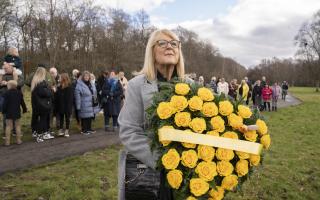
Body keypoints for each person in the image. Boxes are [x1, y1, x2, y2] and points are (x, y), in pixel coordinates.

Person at [118, 29, 185, 200]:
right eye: (162, 43)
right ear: (151, 51)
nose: (169, 47)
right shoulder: (136, 85)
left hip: (187, 173)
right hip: (151, 172)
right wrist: (165, 160)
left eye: (174, 44)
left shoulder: (192, 86)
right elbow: (129, 132)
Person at [31, 67, 54, 142]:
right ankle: (39, 135)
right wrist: (51, 90)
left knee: (42, 119)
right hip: (42, 105)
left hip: (38, 104)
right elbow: (45, 93)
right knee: (43, 120)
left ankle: (43, 133)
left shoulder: (35, 82)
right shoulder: (40, 83)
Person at [74, 71, 100, 135]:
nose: (86, 77)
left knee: (89, 116)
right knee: (84, 117)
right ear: (83, 77)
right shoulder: (79, 84)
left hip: (91, 103)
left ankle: (89, 128)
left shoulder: (91, 83)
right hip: (84, 103)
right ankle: (84, 130)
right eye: (85, 76)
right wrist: (78, 105)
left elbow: (95, 92)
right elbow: (77, 95)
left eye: (88, 76)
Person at [2, 80, 27, 146]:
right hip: (17, 112)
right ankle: (18, 140)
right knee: (18, 126)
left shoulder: (6, 93)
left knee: (8, 126)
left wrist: (3, 110)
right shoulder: (19, 93)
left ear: (9, 86)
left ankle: (7, 142)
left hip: (9, 112)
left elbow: (5, 104)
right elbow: (22, 103)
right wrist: (24, 109)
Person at [55, 73, 73, 137]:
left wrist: (69, 106)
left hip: (67, 106)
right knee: (61, 118)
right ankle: (60, 129)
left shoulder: (69, 87)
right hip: (60, 105)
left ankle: (67, 130)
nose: (59, 79)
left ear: (63, 78)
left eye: (60, 77)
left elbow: (70, 98)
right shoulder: (59, 87)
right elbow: (57, 96)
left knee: (67, 118)